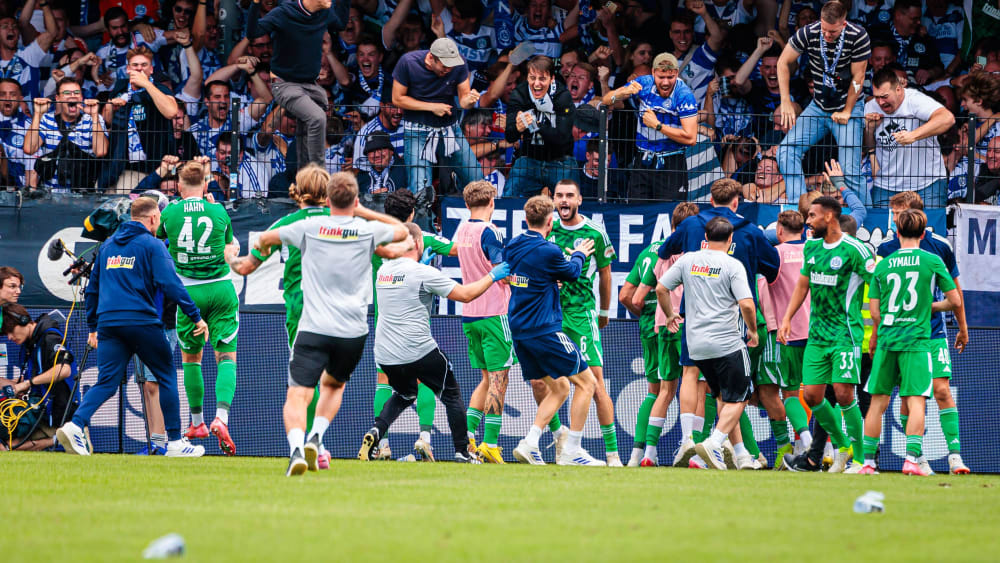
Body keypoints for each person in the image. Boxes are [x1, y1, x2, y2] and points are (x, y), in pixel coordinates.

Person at [252, 172, 407, 476]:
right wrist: (363, 213)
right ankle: (317, 439)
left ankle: (300, 446)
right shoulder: (362, 229)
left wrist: (256, 253)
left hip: (308, 317)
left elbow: (263, 241)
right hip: (350, 326)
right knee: (332, 385)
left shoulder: (304, 225)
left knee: (299, 388)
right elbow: (400, 233)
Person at [56, 196, 207, 458]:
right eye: (158, 219)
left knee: (106, 382)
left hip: (108, 324)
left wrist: (93, 327)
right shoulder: (153, 245)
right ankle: (173, 443)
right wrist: (195, 316)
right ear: (152, 218)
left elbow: (92, 291)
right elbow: (171, 284)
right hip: (142, 322)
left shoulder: (107, 247)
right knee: (167, 376)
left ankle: (74, 425)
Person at [358, 221, 510, 463]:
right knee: (451, 394)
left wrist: (421, 267)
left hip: (385, 353)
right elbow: (466, 294)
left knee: (405, 393)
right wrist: (493, 275)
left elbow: (407, 285)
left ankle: (377, 430)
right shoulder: (423, 273)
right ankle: (462, 452)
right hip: (417, 350)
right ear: (418, 243)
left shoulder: (383, 272)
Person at [657, 179, 780, 467]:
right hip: (730, 329)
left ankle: (709, 446)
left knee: (694, 377)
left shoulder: (689, 230)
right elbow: (770, 272)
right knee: (736, 394)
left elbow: (663, 264)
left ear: (710, 201)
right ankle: (714, 443)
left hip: (692, 324)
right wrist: (752, 329)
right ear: (736, 202)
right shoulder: (747, 235)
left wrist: (671, 314)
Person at [230, 164, 334, 470]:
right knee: (330, 380)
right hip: (337, 308)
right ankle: (319, 441)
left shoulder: (285, 224)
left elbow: (246, 267)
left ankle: (308, 445)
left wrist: (230, 259)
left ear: (297, 191)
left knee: (303, 381)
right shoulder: (343, 222)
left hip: (301, 308)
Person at [504, 195, 604, 467]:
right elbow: (573, 273)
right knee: (588, 383)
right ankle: (572, 451)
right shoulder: (549, 250)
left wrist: (549, 282)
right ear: (551, 222)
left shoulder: (513, 245)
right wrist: (580, 253)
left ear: (526, 219)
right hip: (544, 329)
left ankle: (530, 442)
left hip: (520, 331)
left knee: (559, 387)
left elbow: (530, 275)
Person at [778, 196, 876, 473]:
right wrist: (787, 318)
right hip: (817, 335)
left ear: (829, 217)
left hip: (845, 335)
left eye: (812, 216)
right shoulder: (811, 247)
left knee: (845, 395)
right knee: (810, 396)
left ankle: (860, 460)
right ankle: (843, 446)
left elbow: (877, 286)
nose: (808, 221)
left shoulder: (856, 250)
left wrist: (878, 328)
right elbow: (802, 285)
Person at [862, 209, 963, 476]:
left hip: (887, 340)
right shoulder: (931, 261)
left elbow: (874, 313)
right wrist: (930, 306)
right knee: (916, 400)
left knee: (877, 402)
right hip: (917, 341)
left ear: (897, 233)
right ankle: (911, 460)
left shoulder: (882, 263)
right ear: (922, 233)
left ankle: (868, 463)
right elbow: (955, 301)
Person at [157, 158, 241, 455]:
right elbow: (230, 246)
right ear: (206, 184)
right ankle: (222, 417)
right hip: (221, 288)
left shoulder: (168, 213)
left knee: (191, 360)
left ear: (178, 186)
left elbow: (158, 244)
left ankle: (197, 422)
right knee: (226, 357)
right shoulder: (218, 210)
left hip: (188, 293)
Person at [542, 179, 620, 465]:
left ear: (579, 200)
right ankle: (560, 436)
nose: (563, 200)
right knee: (542, 382)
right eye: (559, 195)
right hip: (551, 315)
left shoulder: (594, 233)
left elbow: (606, 274)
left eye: (569, 196)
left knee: (595, 383)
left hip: (582, 315)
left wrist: (604, 311)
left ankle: (612, 454)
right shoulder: (547, 228)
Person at [777, 1, 871, 204]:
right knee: (786, 151)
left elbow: (858, 79)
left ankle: (867, 220)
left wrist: (847, 110)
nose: (827, 35)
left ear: (843, 24)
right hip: (818, 105)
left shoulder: (858, 35)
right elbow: (783, 62)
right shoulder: (808, 32)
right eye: (825, 30)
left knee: (850, 170)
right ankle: (798, 207)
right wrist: (786, 100)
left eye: (833, 32)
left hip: (849, 106)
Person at [628, 202, 700, 466]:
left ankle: (647, 453)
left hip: (661, 326)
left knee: (663, 391)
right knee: (697, 386)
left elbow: (636, 297)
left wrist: (661, 315)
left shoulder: (658, 254)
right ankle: (690, 446)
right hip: (689, 324)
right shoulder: (697, 255)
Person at [454, 181, 515, 463]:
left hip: (470, 313)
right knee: (499, 380)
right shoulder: (490, 231)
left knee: (485, 379)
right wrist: (527, 281)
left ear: (467, 205)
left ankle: (467, 435)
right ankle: (490, 443)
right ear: (492, 202)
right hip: (494, 312)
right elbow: (501, 272)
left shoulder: (463, 229)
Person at [247, 0, 350, 166]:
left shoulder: (323, 12)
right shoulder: (283, 12)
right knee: (317, 118)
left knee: (317, 111)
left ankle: (303, 175)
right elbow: (253, 32)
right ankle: (317, 173)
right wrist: (255, 4)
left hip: (309, 84)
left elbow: (340, 23)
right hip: (285, 84)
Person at [601, 53, 698, 202]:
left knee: (668, 213)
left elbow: (691, 138)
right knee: (636, 209)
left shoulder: (684, 95)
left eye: (670, 77)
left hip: (671, 161)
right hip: (643, 159)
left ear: (677, 74)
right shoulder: (644, 83)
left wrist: (658, 126)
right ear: (653, 73)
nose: (665, 82)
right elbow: (606, 100)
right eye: (661, 77)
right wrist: (621, 93)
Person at [863, 67, 955, 207]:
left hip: (927, 184)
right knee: (881, 229)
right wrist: (869, 129)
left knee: (930, 228)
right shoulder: (871, 106)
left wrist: (913, 135)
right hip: (886, 185)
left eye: (885, 96)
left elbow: (947, 118)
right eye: (877, 97)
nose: (880, 102)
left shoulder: (914, 100)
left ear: (899, 90)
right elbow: (868, 145)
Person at [764, 211, 813, 463]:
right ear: (804, 230)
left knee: (790, 393)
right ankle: (828, 449)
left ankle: (806, 443)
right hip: (819, 334)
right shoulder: (815, 251)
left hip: (788, 334)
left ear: (780, 232)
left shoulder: (775, 255)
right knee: (821, 394)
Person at [0, 303, 77, 451]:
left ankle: (58, 439)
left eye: (11, 331)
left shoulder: (50, 337)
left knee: (4, 434)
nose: (9, 337)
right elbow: (24, 382)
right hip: (38, 411)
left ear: (23, 321)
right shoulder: (29, 344)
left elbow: (64, 369)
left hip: (55, 413)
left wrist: (28, 383)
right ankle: (55, 440)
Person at [504, 56, 578, 197]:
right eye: (532, 78)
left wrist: (534, 123)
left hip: (560, 160)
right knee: (509, 195)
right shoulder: (519, 94)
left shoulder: (562, 96)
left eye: (542, 79)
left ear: (552, 78)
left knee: (571, 201)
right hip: (529, 158)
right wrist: (517, 128)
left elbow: (561, 137)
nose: (536, 84)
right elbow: (509, 136)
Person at [24, 77, 108, 193]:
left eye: (77, 92)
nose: (72, 96)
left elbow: (100, 151)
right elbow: (29, 149)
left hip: (83, 194)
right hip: (50, 194)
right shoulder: (46, 119)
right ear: (57, 98)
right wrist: (38, 114)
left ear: (81, 97)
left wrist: (94, 116)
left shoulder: (94, 120)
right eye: (67, 93)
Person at [356, 130, 408, 196]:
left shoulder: (405, 169)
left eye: (381, 149)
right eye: (371, 151)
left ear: (391, 151)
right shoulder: (361, 176)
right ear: (367, 155)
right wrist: (371, 197)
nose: (377, 155)